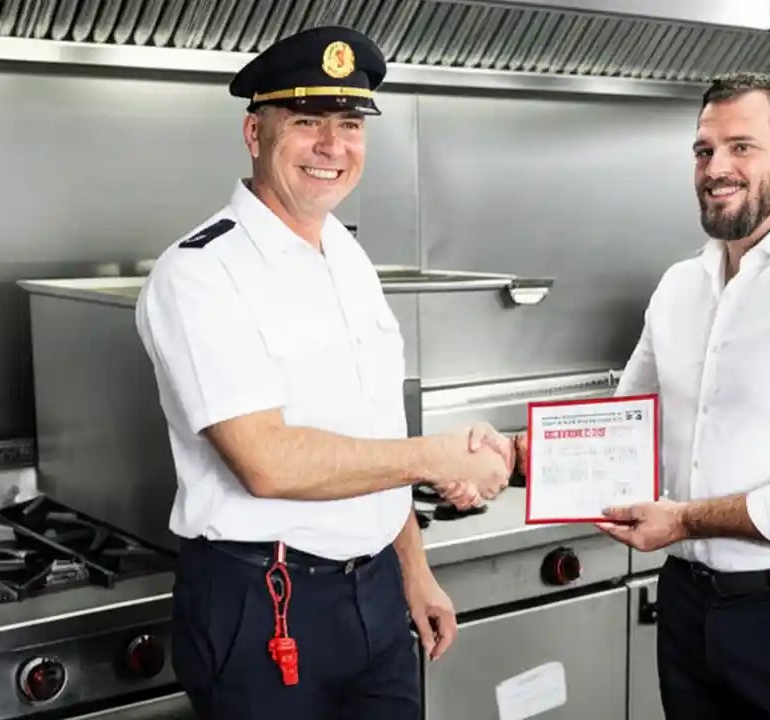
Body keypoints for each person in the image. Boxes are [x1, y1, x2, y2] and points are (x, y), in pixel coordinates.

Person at [133, 26, 513, 720]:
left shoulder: (346, 257)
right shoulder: (200, 273)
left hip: (373, 594)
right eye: (306, 122)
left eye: (348, 124)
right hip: (264, 605)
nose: (331, 146)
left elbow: (372, 435)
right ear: (255, 133)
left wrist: (414, 571)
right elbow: (267, 461)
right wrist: (437, 457)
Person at [518, 73, 770, 718]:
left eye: (742, 147)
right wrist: (509, 454)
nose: (717, 168)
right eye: (704, 150)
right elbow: (627, 427)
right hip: (688, 603)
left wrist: (683, 519)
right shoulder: (681, 284)